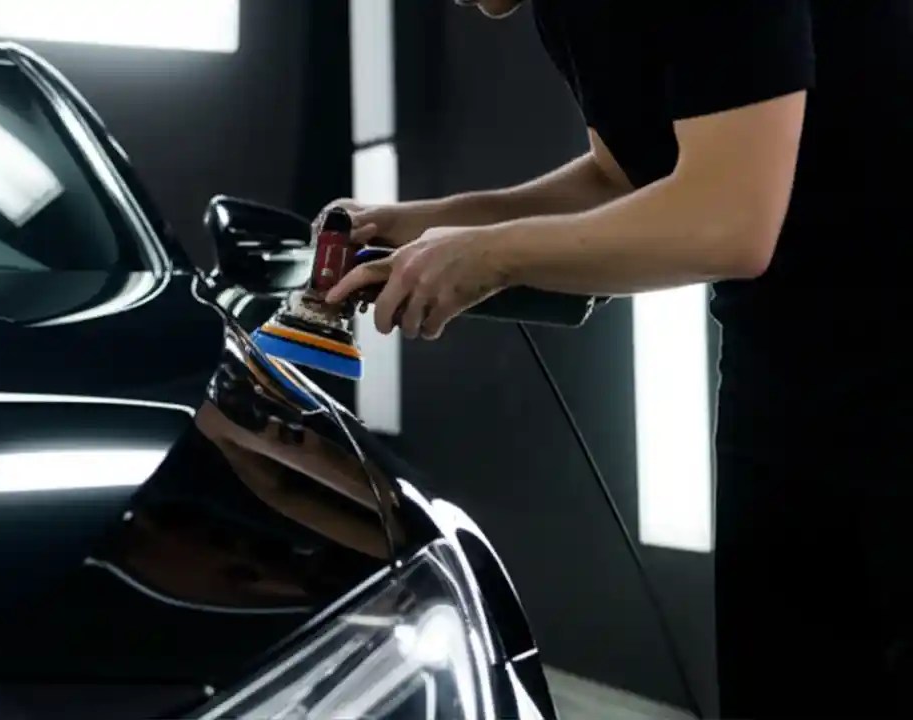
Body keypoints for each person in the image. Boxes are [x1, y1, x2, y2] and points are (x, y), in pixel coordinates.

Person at [323, 1, 913, 717]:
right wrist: (429, 227)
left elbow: (731, 219)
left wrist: (491, 256)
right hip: (782, 352)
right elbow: (622, 173)